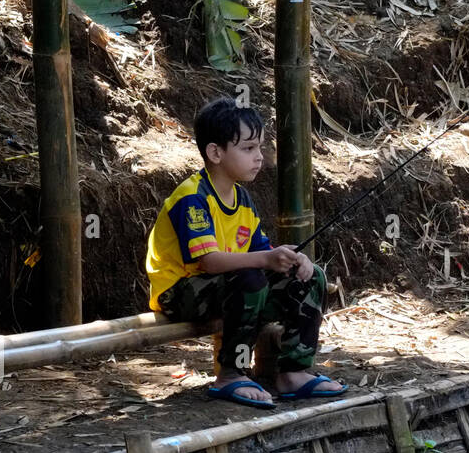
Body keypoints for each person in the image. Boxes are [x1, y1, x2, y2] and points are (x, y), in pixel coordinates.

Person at [145, 96, 348, 408]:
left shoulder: (242, 198)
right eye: (248, 148)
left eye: (260, 147)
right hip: (180, 292)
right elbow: (210, 262)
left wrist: (291, 258)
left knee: (309, 276)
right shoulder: (192, 198)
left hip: (229, 286)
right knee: (250, 280)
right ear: (215, 152)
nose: (259, 157)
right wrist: (266, 259)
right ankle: (230, 374)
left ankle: (292, 372)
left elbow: (261, 251)